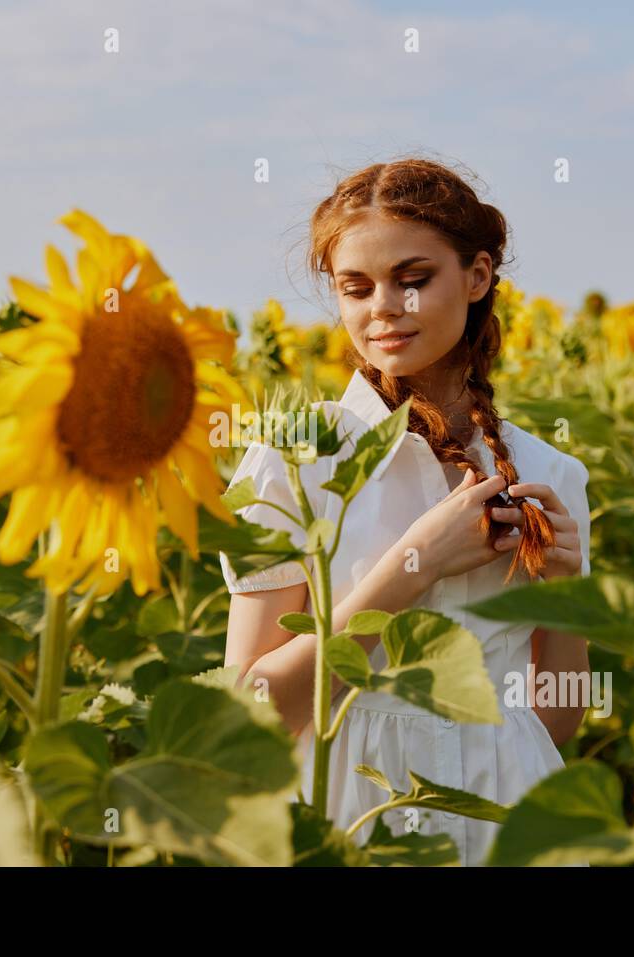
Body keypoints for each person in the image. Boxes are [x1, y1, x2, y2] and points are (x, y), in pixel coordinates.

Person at [219, 157, 593, 867]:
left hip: (505, 821)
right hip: (347, 816)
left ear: (478, 276)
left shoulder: (552, 474)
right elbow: (252, 711)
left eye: (412, 280)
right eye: (355, 288)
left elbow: (552, 721)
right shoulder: (295, 459)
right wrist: (414, 563)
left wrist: (567, 602)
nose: (382, 308)